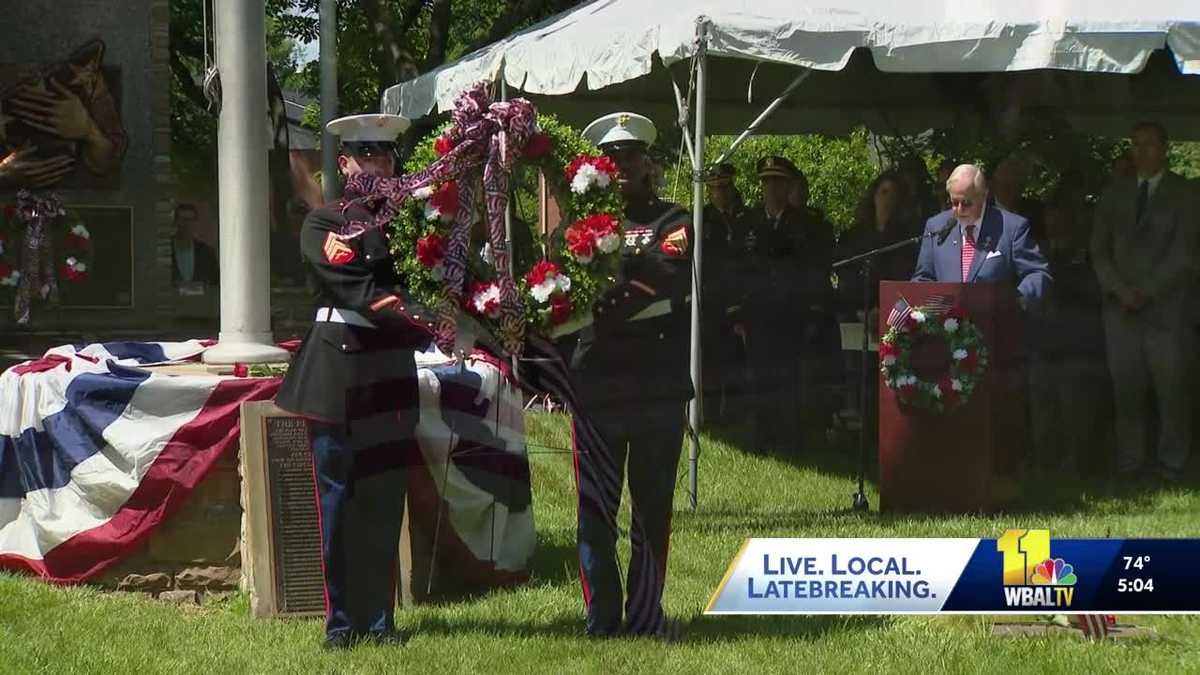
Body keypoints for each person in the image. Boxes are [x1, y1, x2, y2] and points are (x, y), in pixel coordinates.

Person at [274, 113, 433, 649]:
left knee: (386, 501)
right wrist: (425, 313)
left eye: (385, 156)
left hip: (388, 372)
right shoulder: (325, 223)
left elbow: (435, 279)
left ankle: (381, 619)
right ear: (344, 163)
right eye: (366, 155)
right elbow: (358, 290)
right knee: (338, 503)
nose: (377, 164)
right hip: (339, 374)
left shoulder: (415, 223)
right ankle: (341, 622)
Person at [559, 111, 692, 640]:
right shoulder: (575, 225)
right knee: (595, 509)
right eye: (612, 160)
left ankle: (644, 615)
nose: (623, 167)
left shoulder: (673, 219)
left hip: (657, 382)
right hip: (597, 382)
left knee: (651, 508)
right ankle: (602, 616)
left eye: (632, 157)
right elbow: (563, 284)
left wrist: (603, 295)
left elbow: (665, 274)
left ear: (649, 164)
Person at [1091, 121, 1197, 483]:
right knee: (1127, 391)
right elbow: (1098, 249)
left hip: (1167, 310)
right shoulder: (1113, 194)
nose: (1142, 152)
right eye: (1136, 145)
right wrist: (1120, 290)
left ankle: (1173, 464)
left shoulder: (1186, 193)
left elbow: (1186, 253)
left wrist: (1147, 291)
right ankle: (1130, 462)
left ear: (1165, 148)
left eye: (1149, 145)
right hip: (1120, 312)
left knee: (1171, 391)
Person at [745, 156, 838, 451]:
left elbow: (813, 270)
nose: (771, 188)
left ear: (788, 187)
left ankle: (790, 438)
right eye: (767, 182)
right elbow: (739, 269)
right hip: (759, 312)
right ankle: (761, 435)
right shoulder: (750, 221)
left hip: (791, 312)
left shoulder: (805, 224)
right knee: (759, 375)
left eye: (778, 182)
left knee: (790, 377)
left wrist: (813, 311)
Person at [911, 164, 1051, 305]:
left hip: (997, 320)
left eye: (966, 203)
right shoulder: (936, 226)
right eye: (954, 202)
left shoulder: (1012, 227)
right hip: (947, 322)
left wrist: (1017, 300)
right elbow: (923, 278)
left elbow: (1037, 273)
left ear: (983, 196)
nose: (959, 210)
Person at [700, 162, 749, 424]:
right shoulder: (702, 218)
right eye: (715, 188)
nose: (720, 193)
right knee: (709, 360)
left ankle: (733, 413)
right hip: (711, 300)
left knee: (735, 360)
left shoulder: (745, 217)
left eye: (724, 187)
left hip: (739, 298)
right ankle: (709, 414)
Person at [171, 204, 220, 288]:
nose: (187, 224)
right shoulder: (167, 250)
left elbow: (215, 284)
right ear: (176, 222)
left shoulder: (207, 252)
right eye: (183, 220)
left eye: (191, 220)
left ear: (195, 223)